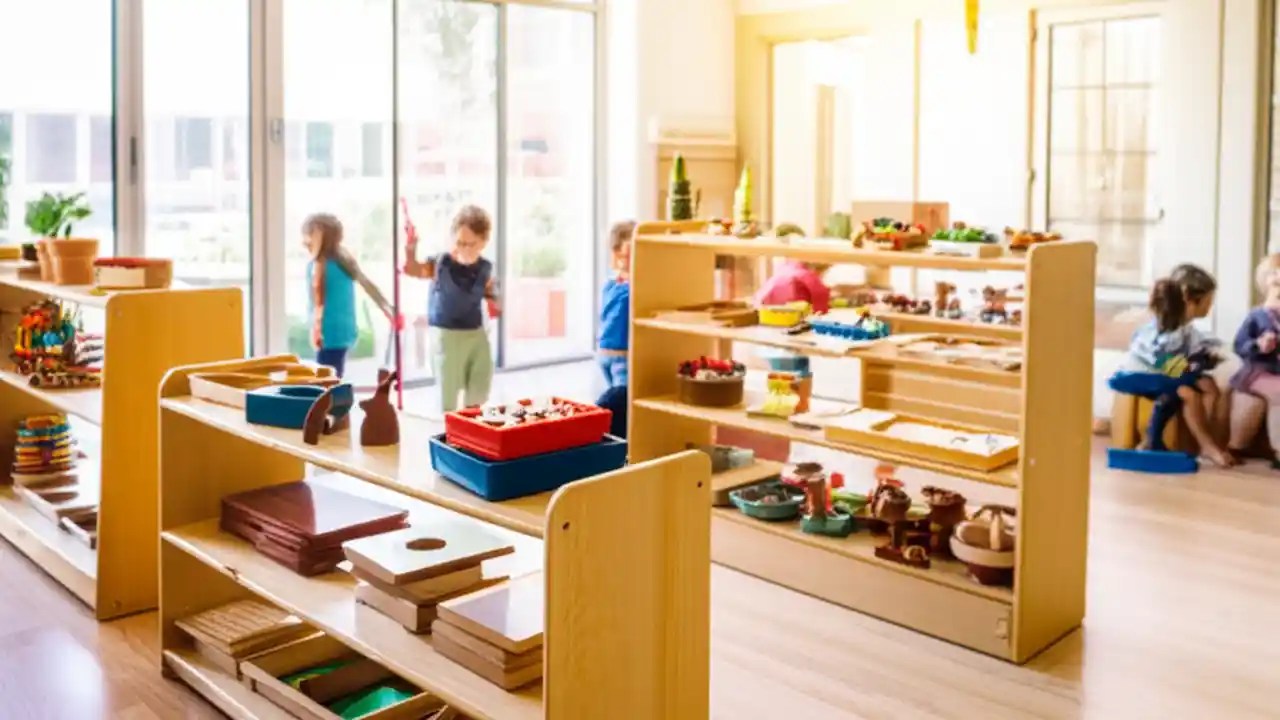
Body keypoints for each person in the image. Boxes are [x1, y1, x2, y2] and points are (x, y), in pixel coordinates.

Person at [1108, 263, 1234, 466]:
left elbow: (1195, 348)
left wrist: (1207, 357)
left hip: (1167, 374)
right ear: (1189, 299)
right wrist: (1192, 368)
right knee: (1189, 393)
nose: (1209, 307)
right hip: (1144, 375)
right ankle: (1206, 445)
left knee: (1209, 385)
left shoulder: (1186, 328)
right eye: (1208, 301)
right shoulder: (1161, 327)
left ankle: (1203, 443)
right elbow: (1158, 359)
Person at [404, 205, 499, 412]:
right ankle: (449, 429)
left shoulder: (485, 268)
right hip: (447, 336)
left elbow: (493, 299)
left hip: (475, 334)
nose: (465, 249)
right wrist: (411, 249)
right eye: (460, 242)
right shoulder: (441, 263)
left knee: (479, 388)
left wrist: (496, 304)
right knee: (448, 394)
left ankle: (473, 425)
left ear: (483, 242)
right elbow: (412, 269)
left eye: (471, 244)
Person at [303, 213, 394, 378]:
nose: (303, 241)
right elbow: (368, 285)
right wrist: (387, 307)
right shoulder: (344, 261)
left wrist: (317, 329)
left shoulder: (318, 265)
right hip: (344, 331)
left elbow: (319, 301)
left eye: (307, 236)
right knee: (335, 375)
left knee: (326, 380)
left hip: (327, 333)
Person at [1228, 254, 1280, 466]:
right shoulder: (1257, 316)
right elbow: (1239, 345)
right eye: (1275, 278)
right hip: (1258, 370)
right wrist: (1258, 345)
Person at [597, 220, 636, 389]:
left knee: (618, 395)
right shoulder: (614, 285)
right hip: (612, 353)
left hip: (616, 353)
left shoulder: (618, 285)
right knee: (618, 395)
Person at [755, 258, 832, 314]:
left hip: (765, 310)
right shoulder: (808, 276)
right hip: (791, 314)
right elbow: (821, 304)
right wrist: (825, 308)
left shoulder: (786, 268)